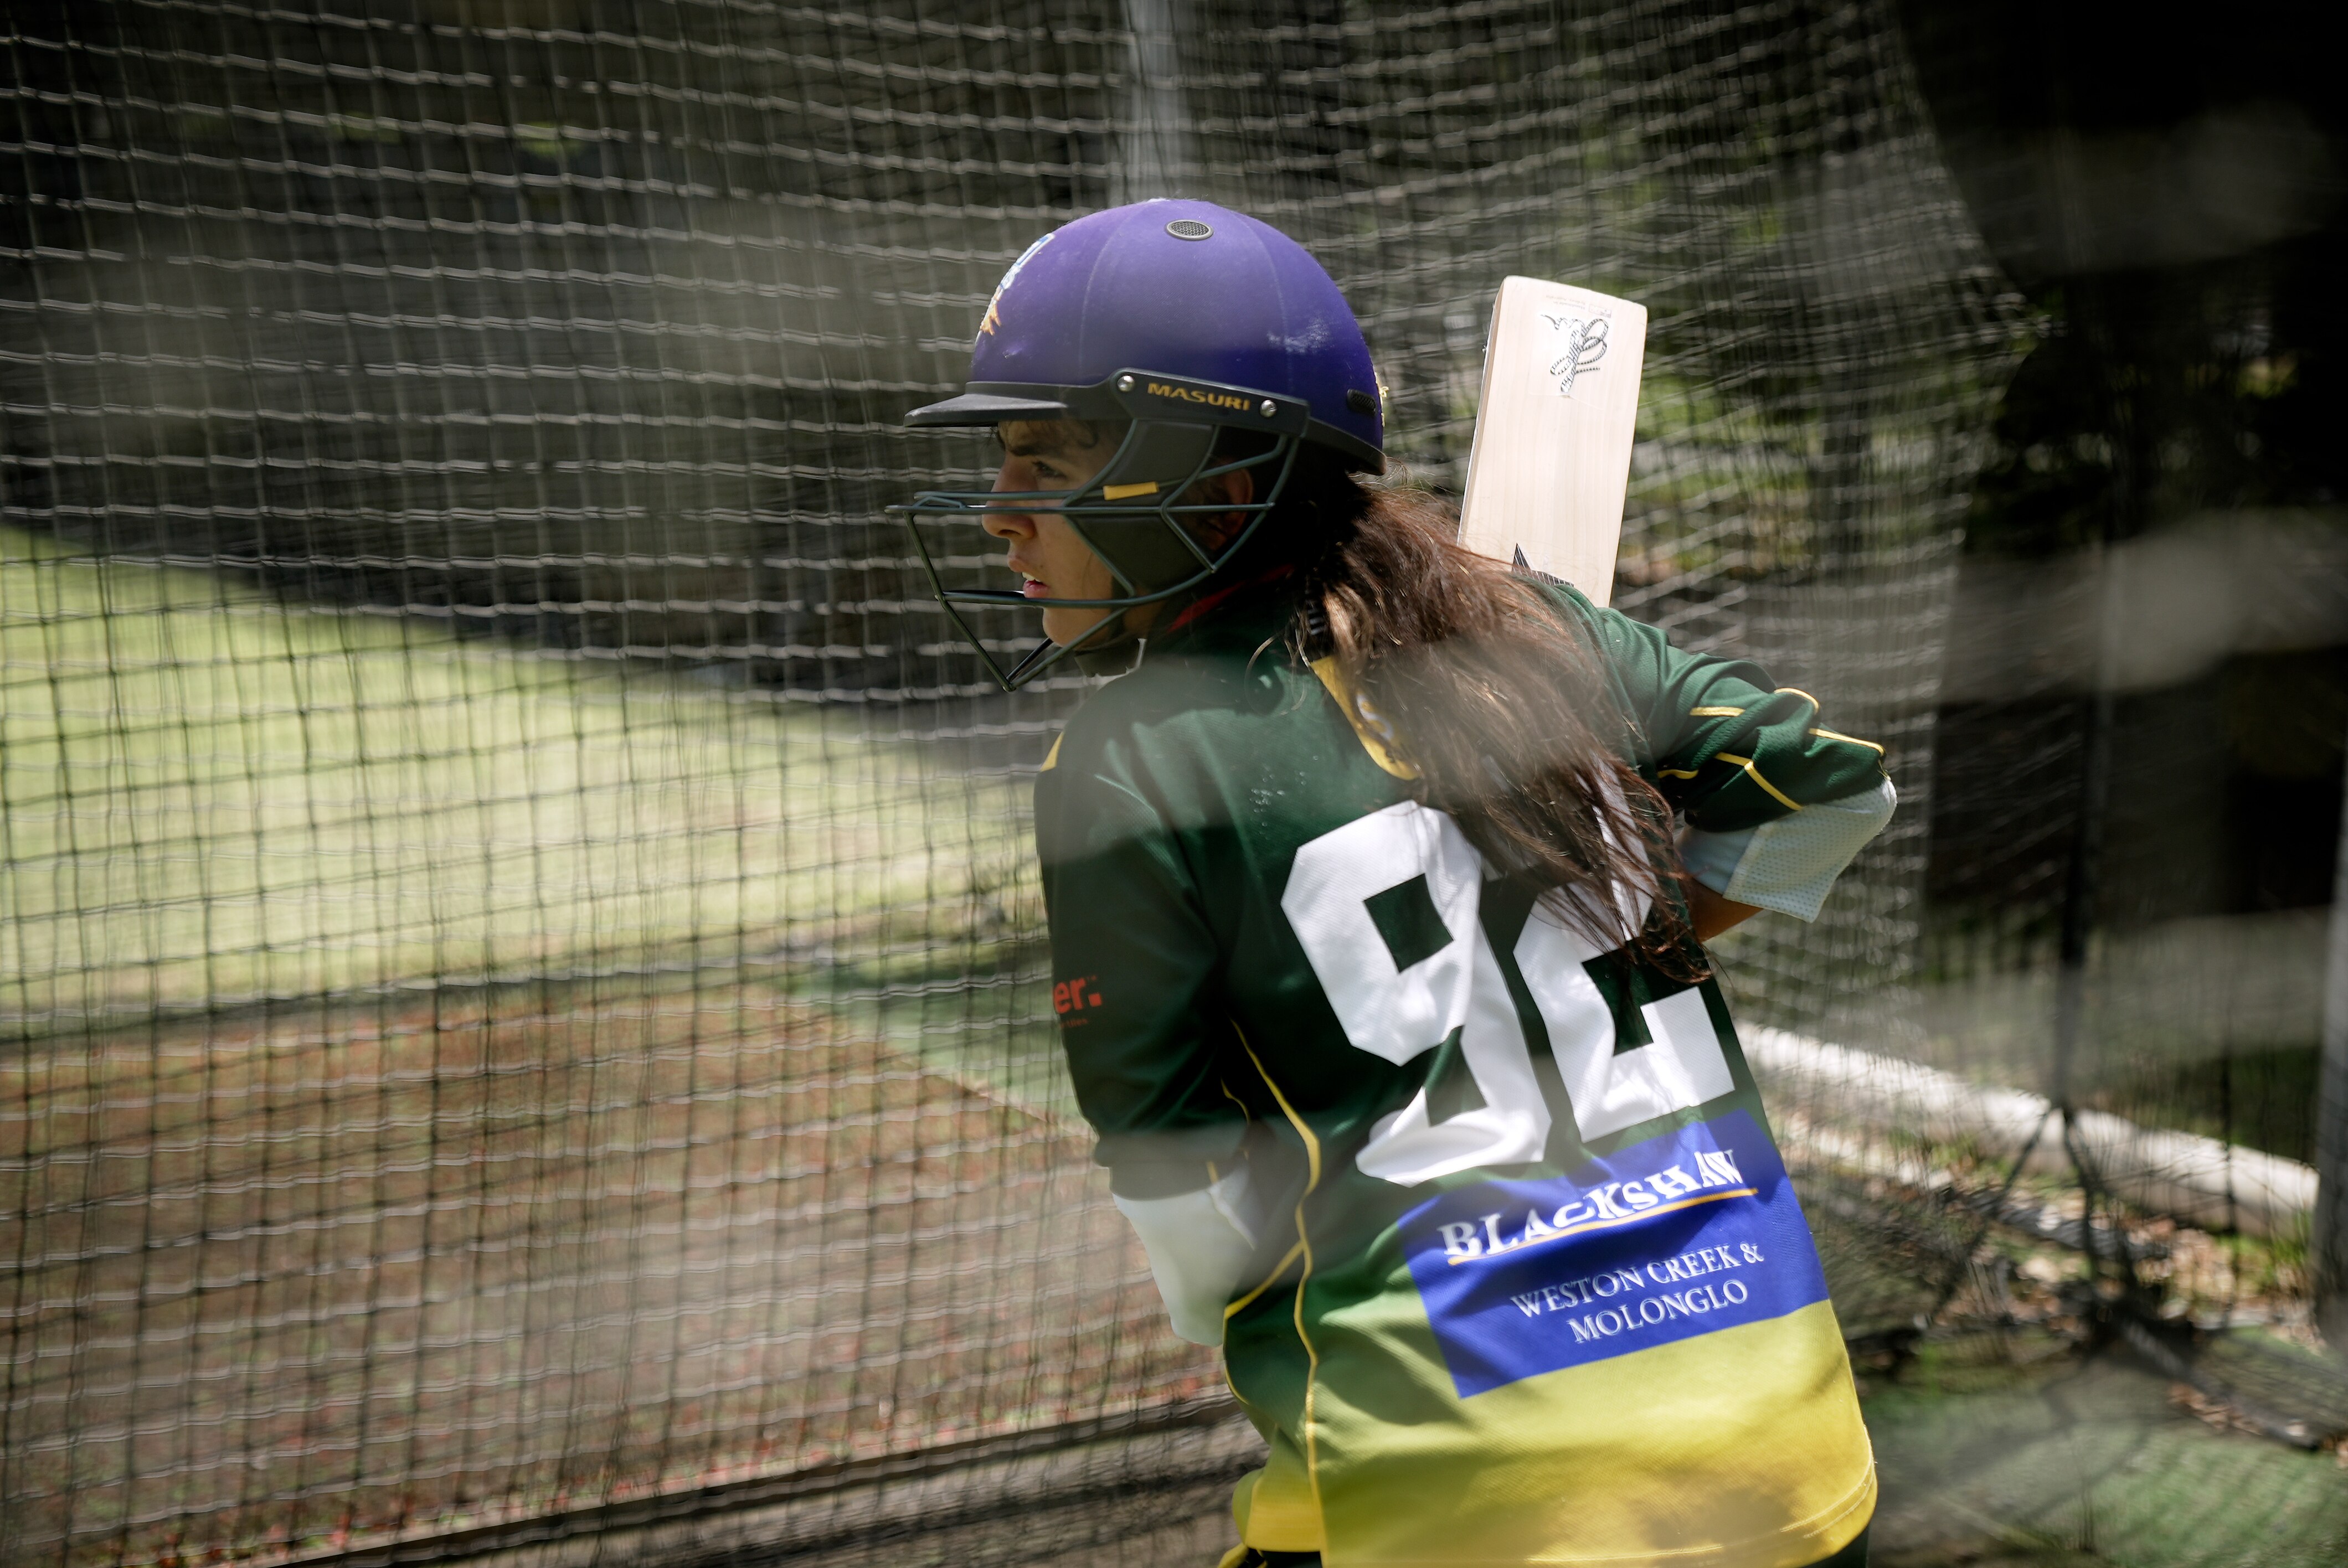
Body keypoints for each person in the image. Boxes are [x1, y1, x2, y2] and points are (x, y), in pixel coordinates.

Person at [898, 200, 1897, 1568]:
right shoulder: (1546, 630)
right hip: (1788, 1459)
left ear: (1214, 478)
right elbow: (1834, 788)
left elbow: (1199, 1238)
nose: (1003, 517)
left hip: (1460, 1505)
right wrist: (1634, 936)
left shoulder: (1124, 764)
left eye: (1042, 459)